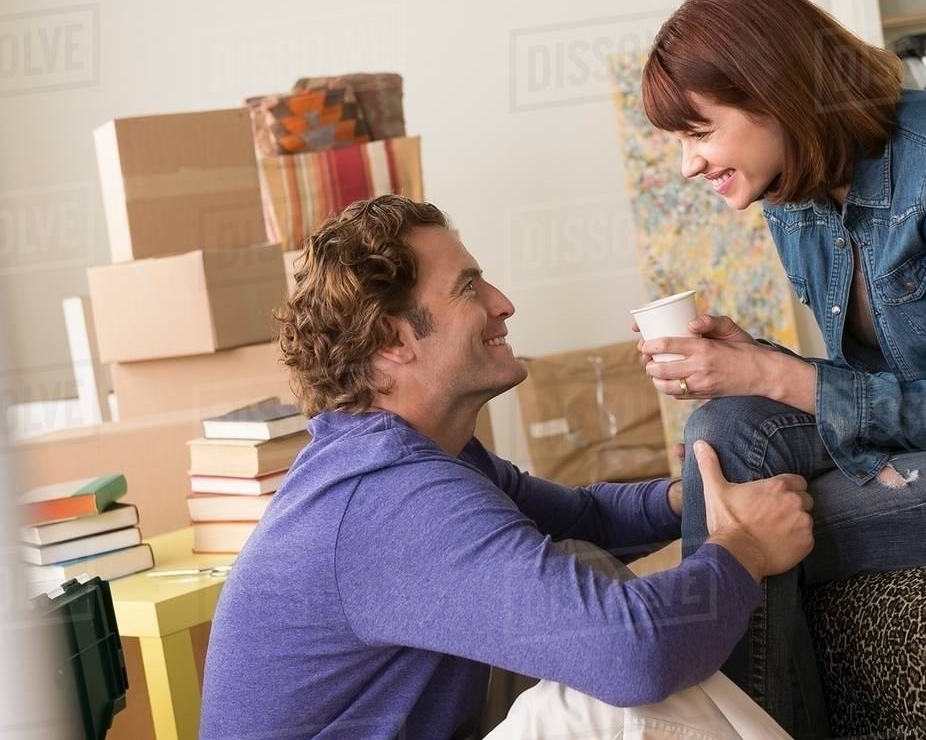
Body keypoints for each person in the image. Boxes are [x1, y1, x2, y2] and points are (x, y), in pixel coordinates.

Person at [199, 194, 813, 740]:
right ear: (394, 340)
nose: (503, 303)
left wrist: (696, 496)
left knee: (583, 574)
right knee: (608, 703)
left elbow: (584, 516)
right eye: (469, 288)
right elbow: (634, 654)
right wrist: (743, 548)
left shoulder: (414, 457)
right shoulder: (389, 501)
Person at [634, 0, 926, 737]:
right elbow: (876, 377)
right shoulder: (793, 195)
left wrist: (774, 371)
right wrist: (751, 361)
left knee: (754, 530)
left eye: (699, 133)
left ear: (773, 92)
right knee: (721, 428)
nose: (688, 166)